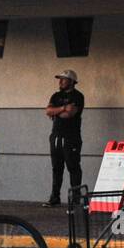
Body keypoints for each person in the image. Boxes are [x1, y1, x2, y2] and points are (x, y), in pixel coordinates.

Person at [43, 70, 83, 207]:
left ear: (72, 81)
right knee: (56, 167)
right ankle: (55, 197)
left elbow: (69, 114)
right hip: (56, 136)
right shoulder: (56, 96)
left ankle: (75, 199)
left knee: (73, 167)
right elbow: (48, 111)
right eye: (60, 79)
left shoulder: (78, 96)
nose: (60, 82)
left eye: (64, 79)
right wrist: (64, 108)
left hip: (71, 137)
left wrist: (57, 111)